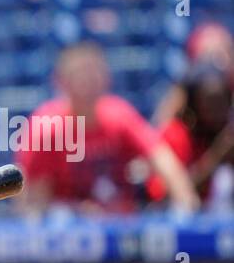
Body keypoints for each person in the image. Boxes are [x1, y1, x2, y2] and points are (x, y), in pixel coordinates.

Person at [17, 42, 199, 214]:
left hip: (121, 226)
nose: (86, 84)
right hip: (68, 230)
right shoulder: (47, 128)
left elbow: (162, 159)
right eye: (79, 76)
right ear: (61, 82)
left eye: (92, 75)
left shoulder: (119, 116)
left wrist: (186, 206)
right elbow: (33, 202)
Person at [153, 63, 233, 208]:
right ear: (194, 104)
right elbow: (163, 195)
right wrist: (216, 157)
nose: (217, 110)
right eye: (210, 102)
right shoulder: (175, 135)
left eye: (222, 101)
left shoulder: (229, 135)